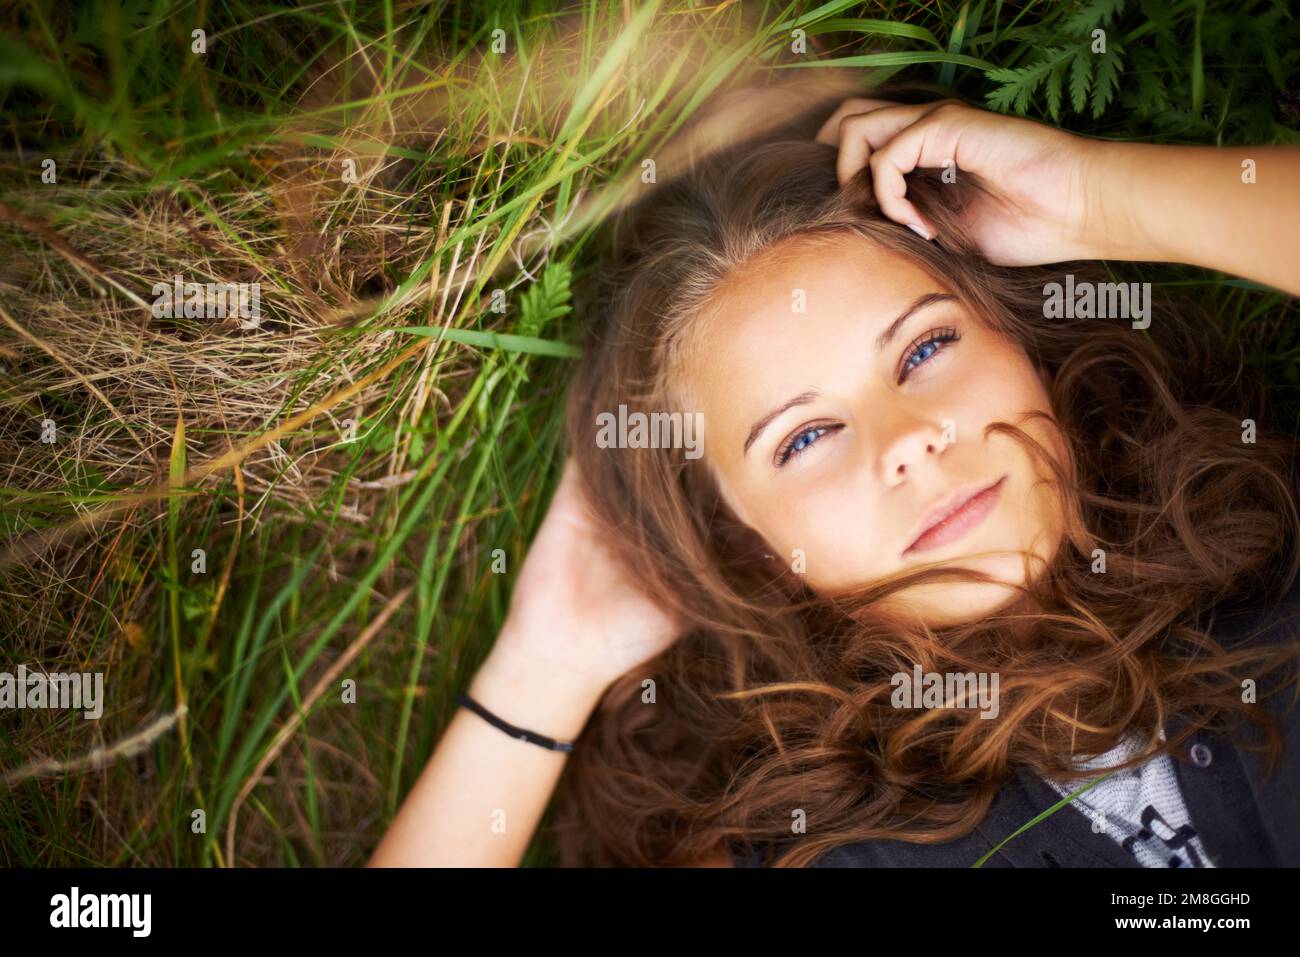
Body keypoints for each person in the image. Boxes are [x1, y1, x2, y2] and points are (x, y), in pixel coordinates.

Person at [369, 89, 1300, 868]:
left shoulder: (1279, 545)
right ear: (751, 543)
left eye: (926, 346)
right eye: (805, 437)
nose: (905, 440)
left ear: (1024, 347)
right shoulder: (820, 844)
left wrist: (1096, 193)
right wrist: (542, 671)